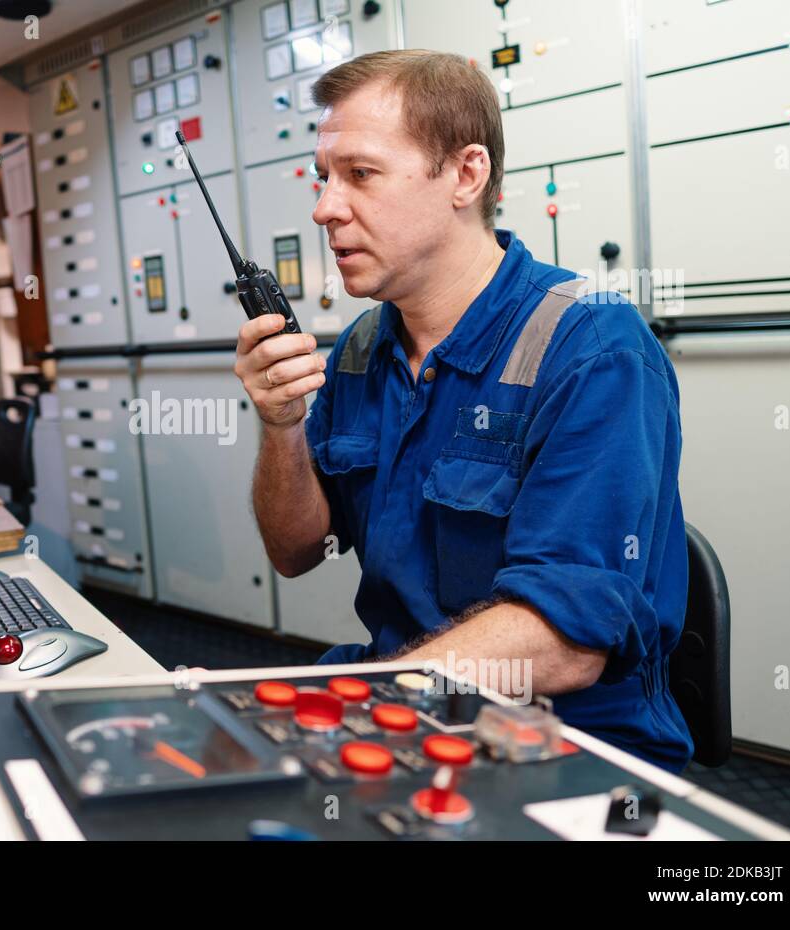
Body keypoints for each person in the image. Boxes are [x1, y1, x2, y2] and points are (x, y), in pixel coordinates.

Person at [232, 50, 692, 771]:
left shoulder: (593, 347)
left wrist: (360, 697)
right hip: (409, 707)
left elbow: (562, 647)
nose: (325, 207)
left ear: (466, 175)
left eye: (360, 174)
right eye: (323, 179)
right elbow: (294, 551)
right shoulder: (361, 347)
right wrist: (281, 426)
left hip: (562, 742)